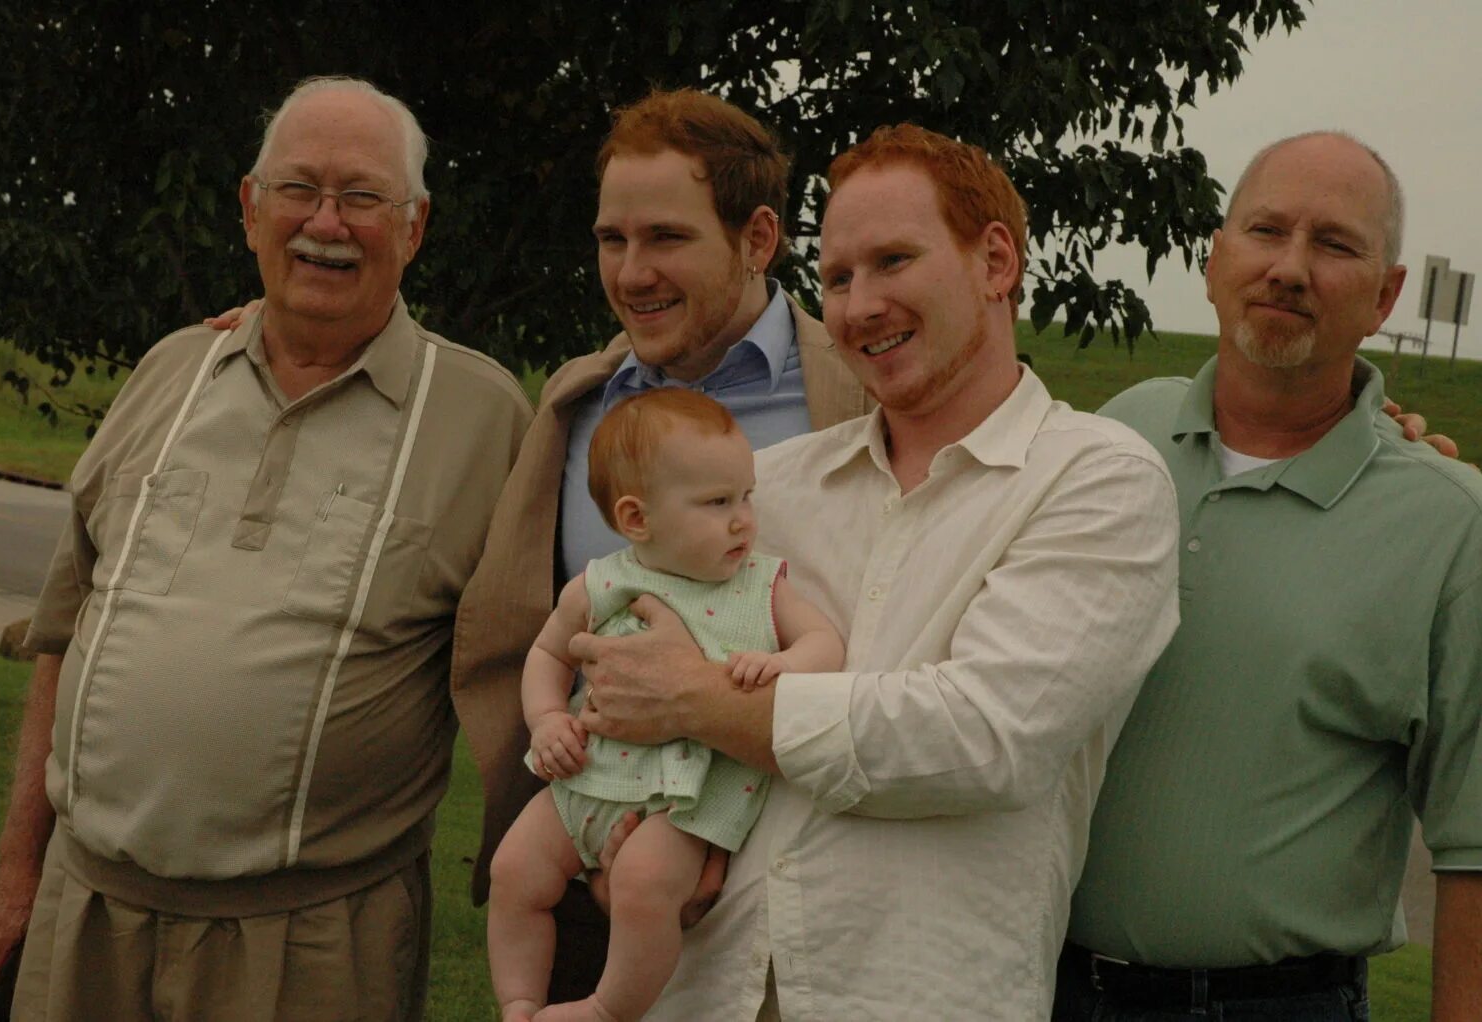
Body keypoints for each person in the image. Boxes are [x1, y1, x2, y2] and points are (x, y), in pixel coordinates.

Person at [567, 124, 1182, 1019]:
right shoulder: (770, 488)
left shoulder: (1096, 480)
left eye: (893, 261)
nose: (859, 308)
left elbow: (981, 738)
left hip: (913, 994)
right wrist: (612, 847)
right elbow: (634, 685)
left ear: (997, 261)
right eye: (838, 279)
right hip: (702, 990)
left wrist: (701, 700)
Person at [0, 76, 532, 1021]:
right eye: (298, 189)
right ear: (249, 210)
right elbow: (64, 636)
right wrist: (16, 876)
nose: (326, 222)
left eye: (362, 197)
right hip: (85, 917)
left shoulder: (486, 420)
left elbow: (522, 673)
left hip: (312, 948)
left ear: (415, 228)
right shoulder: (170, 369)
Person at [450, 88, 870, 999]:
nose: (631, 272)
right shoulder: (577, 403)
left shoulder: (863, 390)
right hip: (582, 876)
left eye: (666, 238)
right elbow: (517, 629)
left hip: (788, 917)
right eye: (612, 240)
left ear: (758, 239)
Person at [1056, 132, 1482, 1020]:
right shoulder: (1110, 442)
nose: (1290, 267)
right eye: (1266, 230)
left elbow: (1474, 847)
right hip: (1041, 986)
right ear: (1215, 262)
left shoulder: (1451, 524)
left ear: (1385, 295)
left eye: (1334, 244)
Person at [487, 389, 845, 1022]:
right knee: (514, 872)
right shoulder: (600, 583)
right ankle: (519, 1002)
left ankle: (607, 1008)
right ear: (636, 519)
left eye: (746, 496)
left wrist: (785, 664)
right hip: (588, 776)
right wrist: (547, 719)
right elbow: (548, 654)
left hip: (688, 799)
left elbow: (825, 642)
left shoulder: (760, 582)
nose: (743, 520)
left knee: (644, 885)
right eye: (717, 502)